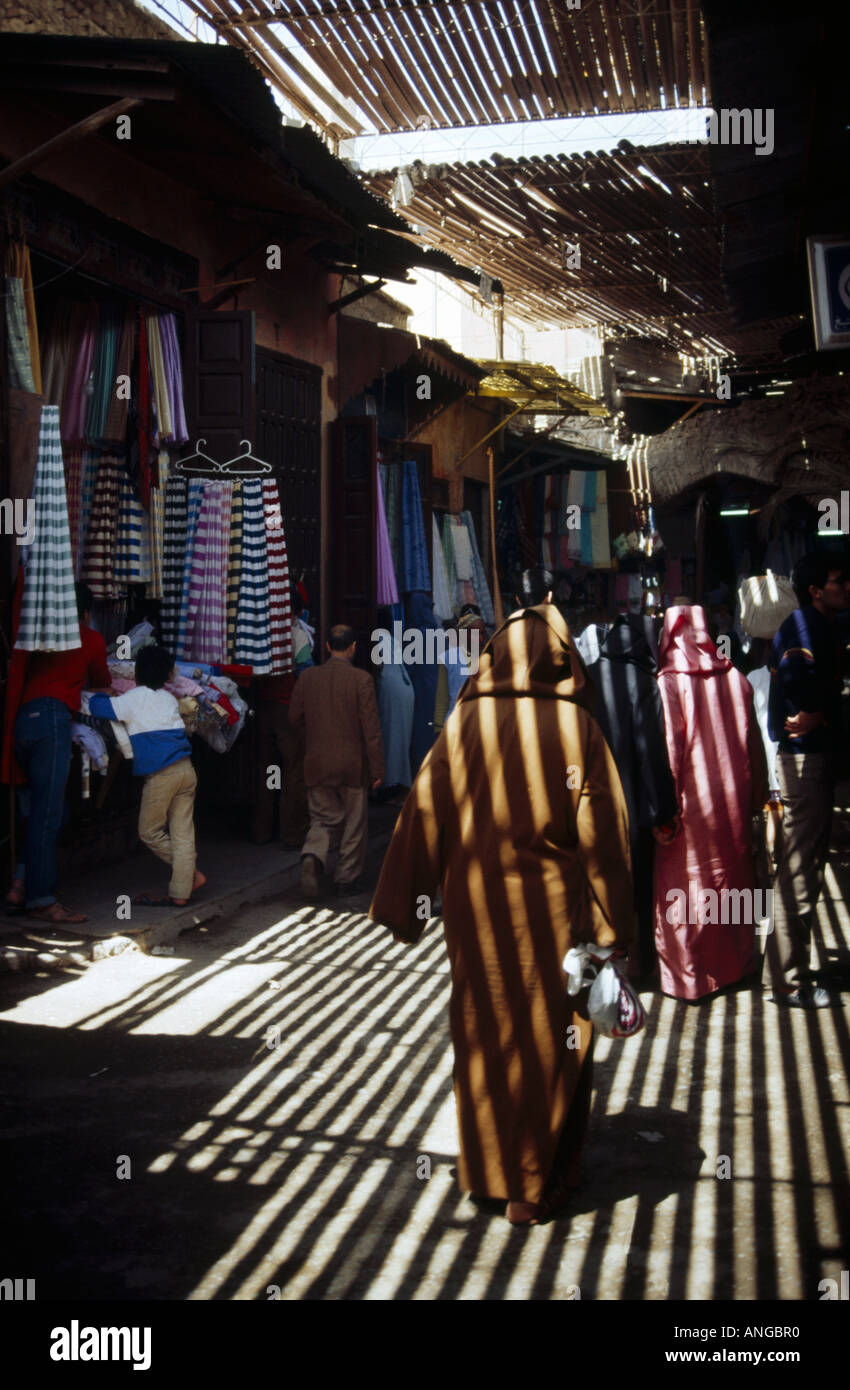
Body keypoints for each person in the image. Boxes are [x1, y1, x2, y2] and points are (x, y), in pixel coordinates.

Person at [369, 601, 634, 1225]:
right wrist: (612, 929)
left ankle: (489, 1173)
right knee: (554, 1040)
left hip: (475, 914)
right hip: (553, 918)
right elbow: (604, 840)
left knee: (482, 1033)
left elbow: (423, 815)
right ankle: (535, 1183)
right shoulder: (579, 729)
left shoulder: (463, 723)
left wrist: (403, 906)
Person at [653, 605, 768, 1001]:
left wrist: (662, 810)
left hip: (691, 807)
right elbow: (754, 747)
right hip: (732, 803)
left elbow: (670, 752)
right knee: (730, 880)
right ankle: (735, 964)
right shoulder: (737, 679)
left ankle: (690, 978)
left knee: (687, 885)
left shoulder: (670, 683)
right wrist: (756, 797)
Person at [766, 551, 850, 1008]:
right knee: (798, 870)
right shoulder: (803, 626)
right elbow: (798, 676)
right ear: (817, 590)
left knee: (803, 866)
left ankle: (784, 971)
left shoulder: (814, 625)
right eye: (839, 581)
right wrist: (813, 714)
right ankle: (789, 981)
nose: (847, 587)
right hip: (804, 761)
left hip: (810, 758)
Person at [575, 612, 678, 982]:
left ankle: (597, 957)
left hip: (591, 799)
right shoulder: (645, 682)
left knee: (595, 876)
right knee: (638, 884)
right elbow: (652, 752)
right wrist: (660, 811)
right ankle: (641, 964)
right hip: (632, 801)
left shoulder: (585, 679)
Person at [6, 582, 111, 924]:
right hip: (52, 723)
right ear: (84, 612)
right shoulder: (89, 638)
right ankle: (42, 899)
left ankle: (21, 883)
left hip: (22, 722)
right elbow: (102, 682)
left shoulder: (41, 633)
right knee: (48, 815)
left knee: (40, 812)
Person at [90, 645, 204, 908]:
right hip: (186, 770)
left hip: (162, 775)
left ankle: (189, 875)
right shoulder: (167, 698)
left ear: (137, 674)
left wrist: (101, 693)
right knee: (183, 834)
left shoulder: (133, 698)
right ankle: (180, 891)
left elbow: (100, 709)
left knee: (149, 832)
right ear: (166, 676)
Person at [290, 623, 384, 898]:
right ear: (353, 647)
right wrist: (377, 768)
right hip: (352, 764)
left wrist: (313, 742)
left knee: (322, 818)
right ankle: (346, 878)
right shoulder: (362, 679)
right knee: (355, 822)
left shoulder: (308, 678)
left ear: (328, 647)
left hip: (317, 761)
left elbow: (294, 718)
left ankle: (312, 855)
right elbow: (371, 729)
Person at [252, 587, 313, 848]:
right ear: (297, 611)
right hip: (288, 711)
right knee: (292, 773)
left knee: (266, 770)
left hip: (262, 708)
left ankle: (262, 830)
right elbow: (306, 673)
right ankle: (292, 834)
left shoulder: (259, 631)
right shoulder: (297, 634)